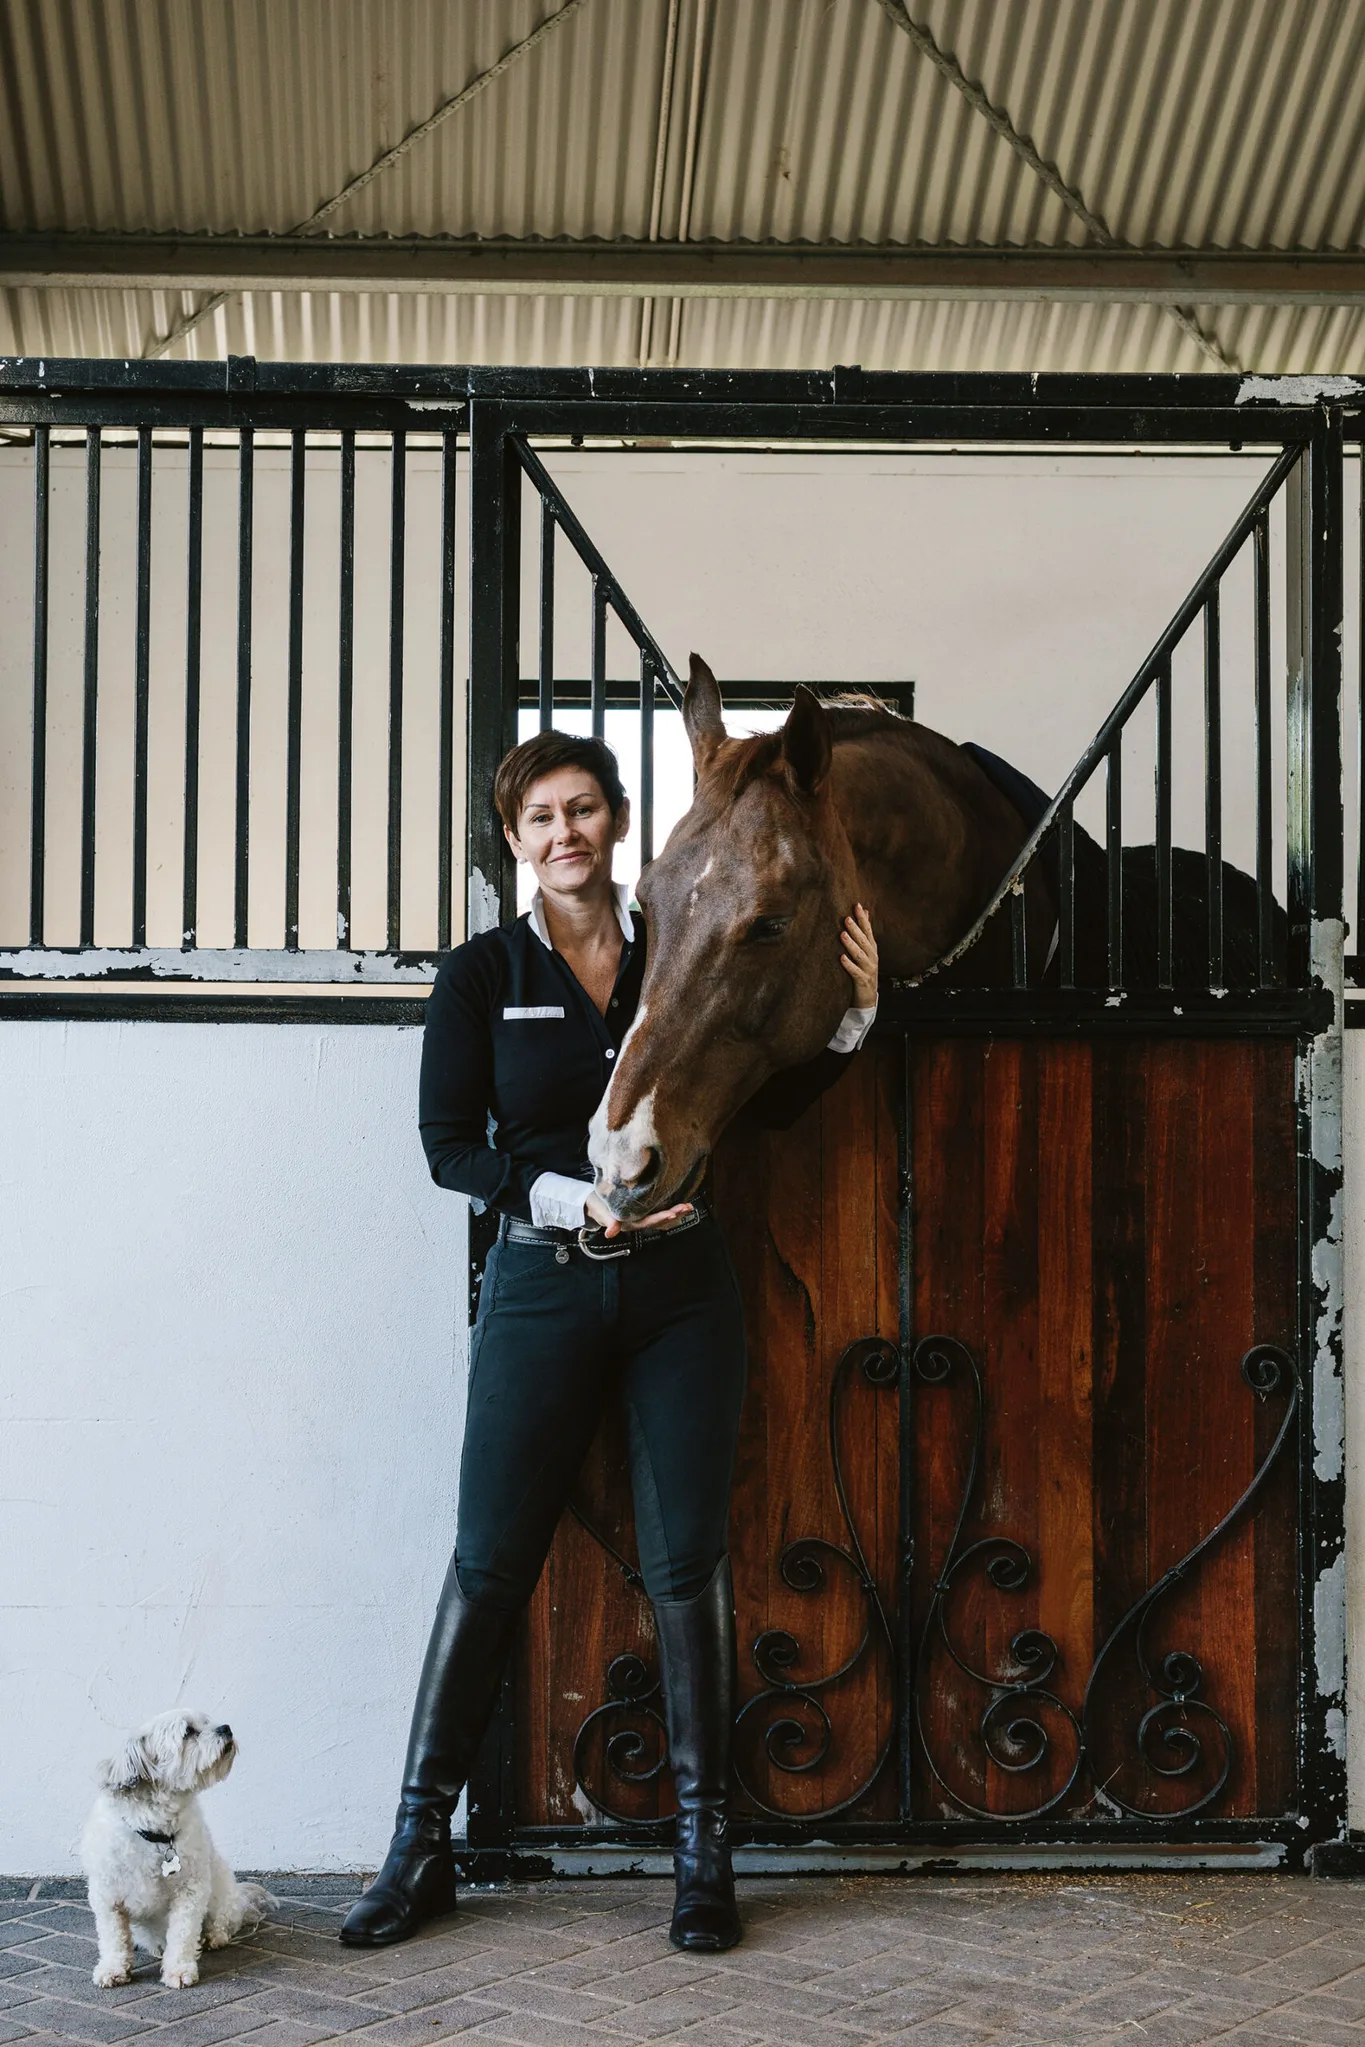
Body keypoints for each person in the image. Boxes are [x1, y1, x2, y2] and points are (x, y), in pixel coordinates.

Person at [340, 729, 878, 1955]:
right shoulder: (482, 974)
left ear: (620, 821)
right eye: (540, 818)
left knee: (688, 1563)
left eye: (584, 808)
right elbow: (448, 1148)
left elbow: (762, 1090)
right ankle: (419, 1846)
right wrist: (557, 1199)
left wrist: (854, 1013)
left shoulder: (671, 954)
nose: (565, 833)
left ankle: (705, 1855)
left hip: (682, 1288)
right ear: (514, 841)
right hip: (542, 1283)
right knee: (488, 1560)